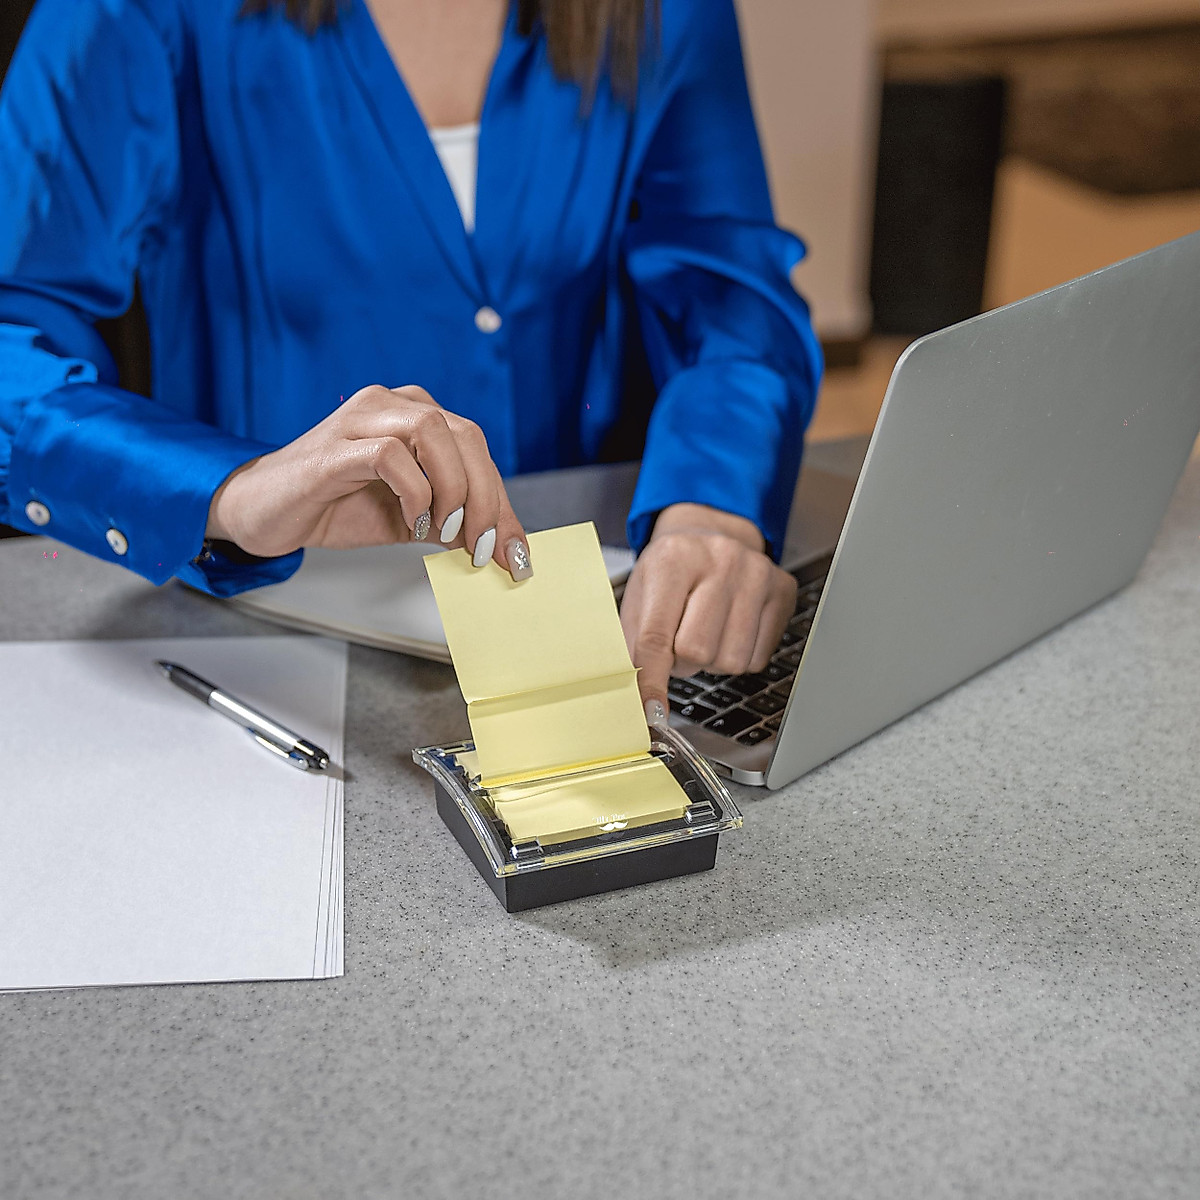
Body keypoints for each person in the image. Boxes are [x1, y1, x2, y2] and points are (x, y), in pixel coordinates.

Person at [0, 0, 822, 720]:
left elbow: (730, 296)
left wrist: (714, 508)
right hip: (272, 645)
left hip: (590, 629)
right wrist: (227, 489)